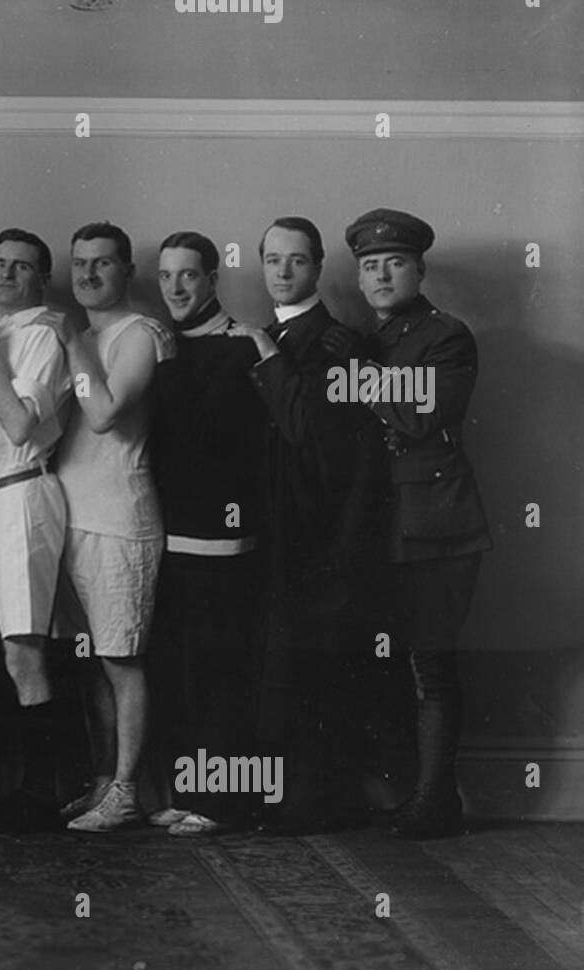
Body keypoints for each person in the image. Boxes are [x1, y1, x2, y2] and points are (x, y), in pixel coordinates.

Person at [227, 218, 384, 833]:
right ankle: (271, 799)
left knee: (310, 670)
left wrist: (268, 359)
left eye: (295, 261)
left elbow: (310, 433)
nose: (281, 272)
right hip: (265, 530)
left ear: (318, 266)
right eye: (271, 259)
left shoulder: (341, 343)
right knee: (270, 665)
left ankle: (310, 804)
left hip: (319, 536)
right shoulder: (262, 335)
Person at [346, 208, 492, 839]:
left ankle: (437, 799)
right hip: (379, 525)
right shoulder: (366, 341)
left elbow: (416, 415)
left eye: (394, 263)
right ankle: (406, 793)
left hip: (437, 526)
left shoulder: (447, 335)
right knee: (386, 662)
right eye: (369, 266)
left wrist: (358, 377)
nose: (381, 276)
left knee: (430, 664)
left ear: (419, 270)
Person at [42, 221, 173, 832]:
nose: (88, 275)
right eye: (79, 264)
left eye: (102, 263)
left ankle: (127, 789)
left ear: (127, 271)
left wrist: (72, 343)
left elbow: (104, 414)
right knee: (91, 659)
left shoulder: (141, 333)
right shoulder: (83, 335)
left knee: (123, 659)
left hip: (121, 519)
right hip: (70, 518)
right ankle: (103, 781)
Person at [148, 231, 268, 836]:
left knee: (219, 672)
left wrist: (168, 366)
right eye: (166, 275)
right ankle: (191, 790)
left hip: (221, 541)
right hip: (171, 537)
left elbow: (201, 443)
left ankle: (223, 802)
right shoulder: (170, 342)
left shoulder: (237, 345)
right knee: (181, 671)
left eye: (188, 275)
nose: (174, 287)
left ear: (212, 278)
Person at [0, 228, 72, 831]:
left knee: (24, 649)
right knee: (1, 649)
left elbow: (22, 426)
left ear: (40, 277)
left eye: (20, 267)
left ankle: (41, 793)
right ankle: (13, 787)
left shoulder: (44, 335)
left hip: (25, 491)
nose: (5, 276)